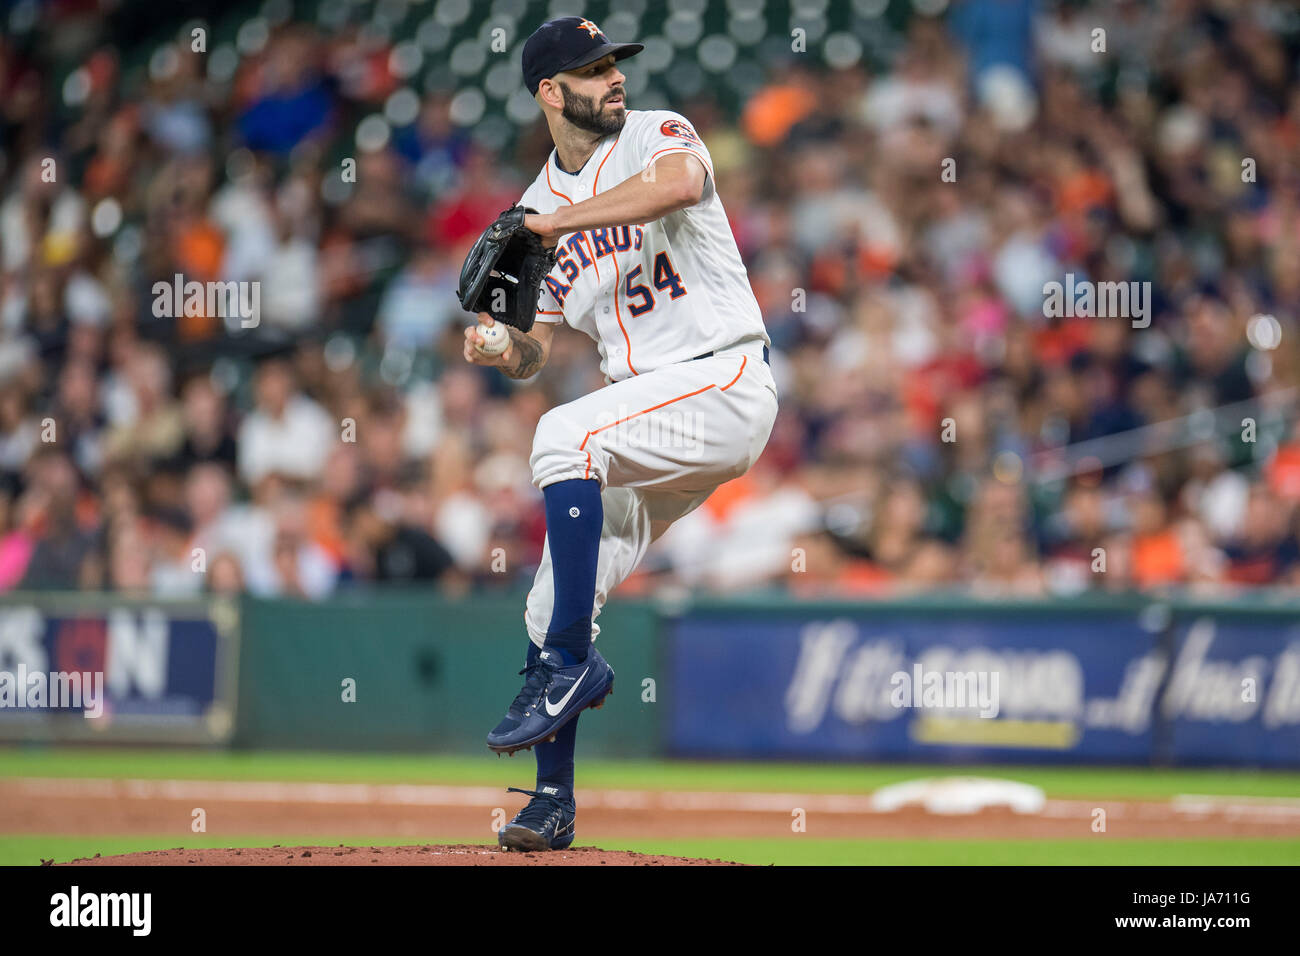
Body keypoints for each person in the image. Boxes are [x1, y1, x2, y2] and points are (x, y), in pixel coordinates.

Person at [461, 17, 778, 851]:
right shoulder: (536, 208)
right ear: (549, 93)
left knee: (563, 438)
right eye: (592, 70)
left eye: (613, 65)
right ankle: (553, 802)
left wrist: (545, 229)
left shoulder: (654, 137)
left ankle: (569, 670)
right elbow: (538, 345)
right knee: (546, 605)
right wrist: (504, 346)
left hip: (725, 378)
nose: (614, 80)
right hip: (649, 423)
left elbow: (678, 186)